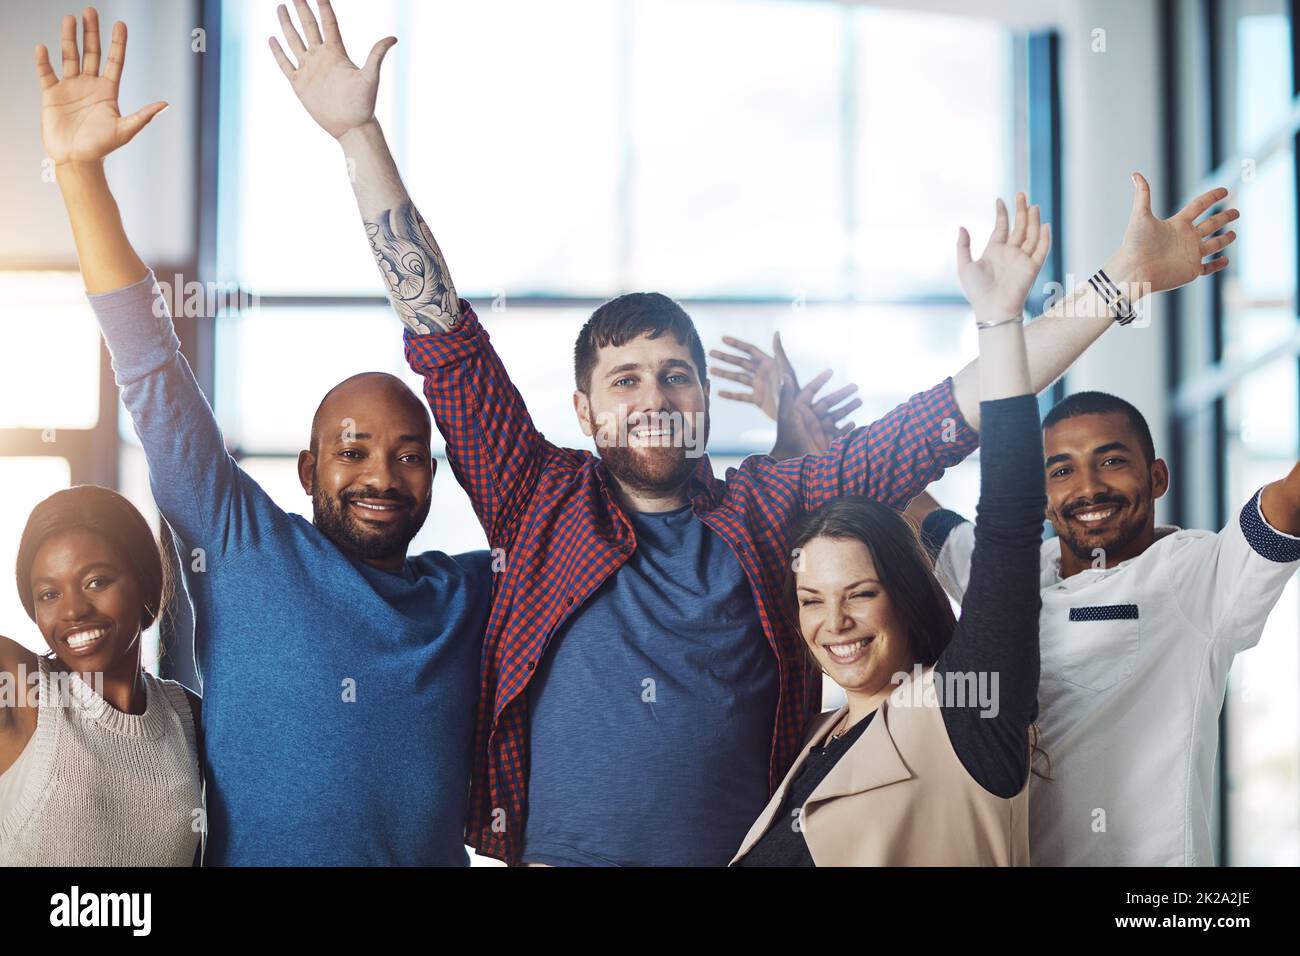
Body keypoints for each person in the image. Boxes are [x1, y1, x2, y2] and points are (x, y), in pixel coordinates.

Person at [273, 0, 1237, 866]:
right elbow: (443, 334)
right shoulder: (538, 498)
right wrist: (359, 136)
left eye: (675, 375)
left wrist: (1122, 285)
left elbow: (948, 415)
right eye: (625, 379)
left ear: (702, 402)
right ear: (585, 410)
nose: (653, 396)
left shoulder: (773, 508)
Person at [38, 7, 492, 865]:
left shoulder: (469, 596)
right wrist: (78, 175)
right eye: (353, 451)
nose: (381, 475)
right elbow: (150, 364)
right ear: (306, 469)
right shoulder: (243, 545)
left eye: (407, 455)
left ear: (435, 476)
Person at [733, 195, 1048, 865]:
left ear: (906, 592)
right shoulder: (817, 740)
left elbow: (1010, 527)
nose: (835, 622)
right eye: (812, 600)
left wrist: (998, 323)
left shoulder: (964, 711)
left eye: (860, 593)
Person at [912, 391, 1300, 866]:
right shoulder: (1008, 573)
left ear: (1157, 477)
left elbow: (1288, 500)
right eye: (1062, 471)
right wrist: (816, 449)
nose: (1088, 487)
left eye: (1111, 461)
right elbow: (928, 519)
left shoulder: (1197, 576)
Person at [0, 486, 202, 866]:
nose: (73, 611)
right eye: (48, 594)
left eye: (97, 582)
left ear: (143, 582)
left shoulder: (187, 715)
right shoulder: (22, 689)